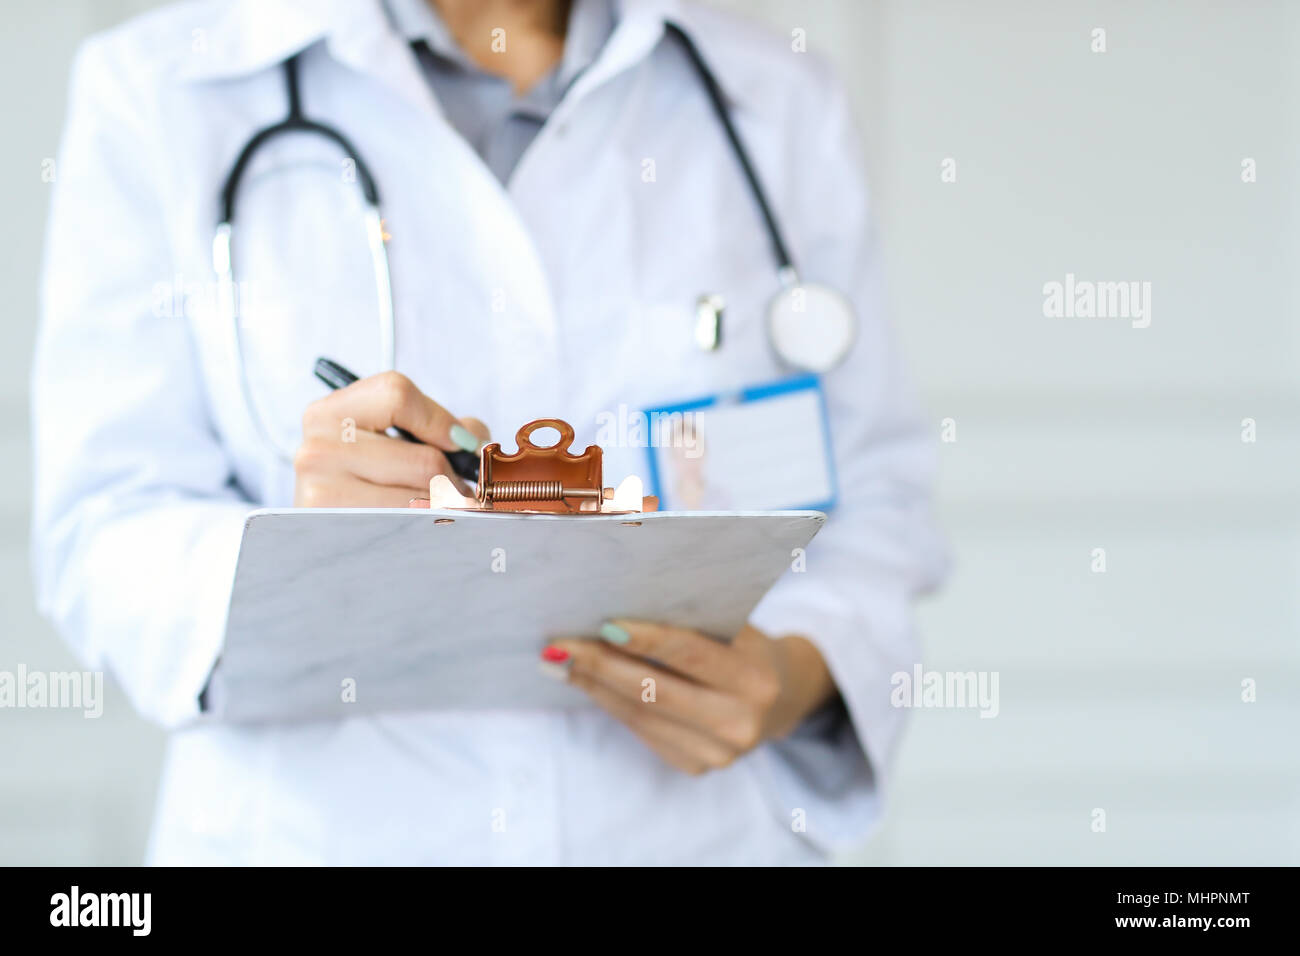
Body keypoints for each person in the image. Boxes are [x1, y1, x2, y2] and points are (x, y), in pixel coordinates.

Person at [32, 0, 946, 865]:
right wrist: (291, 553)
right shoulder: (159, 88)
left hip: (691, 835)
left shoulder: (776, 96)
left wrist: (790, 676)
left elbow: (879, 503)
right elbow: (101, 523)